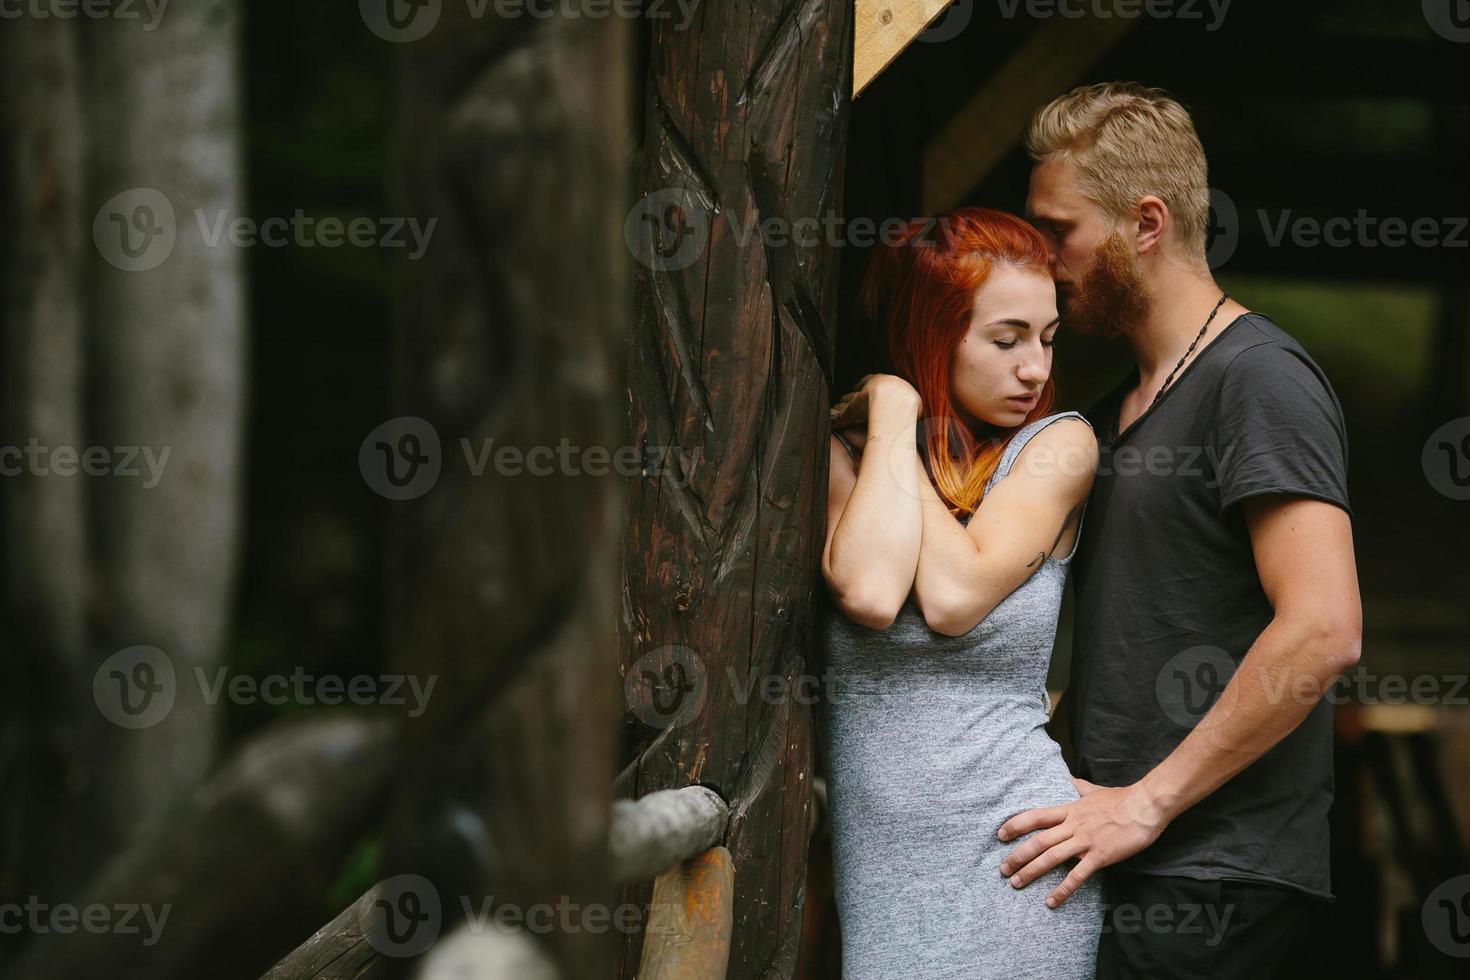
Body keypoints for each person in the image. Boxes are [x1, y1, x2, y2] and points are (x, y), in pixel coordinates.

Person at [994, 82, 1363, 979]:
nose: (1044, 261)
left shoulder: (1258, 380)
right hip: (1127, 864)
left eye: (1059, 232)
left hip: (1216, 882)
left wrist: (1147, 804)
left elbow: (1323, 628)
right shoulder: (1112, 409)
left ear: (1146, 224)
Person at [818, 206, 1102, 978]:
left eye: (1047, 339)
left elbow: (953, 596)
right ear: (932, 334)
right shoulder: (842, 453)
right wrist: (894, 425)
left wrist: (895, 412)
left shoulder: (1056, 448)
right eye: (1006, 340)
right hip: (882, 874)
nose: (1035, 369)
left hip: (1015, 859)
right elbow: (873, 592)